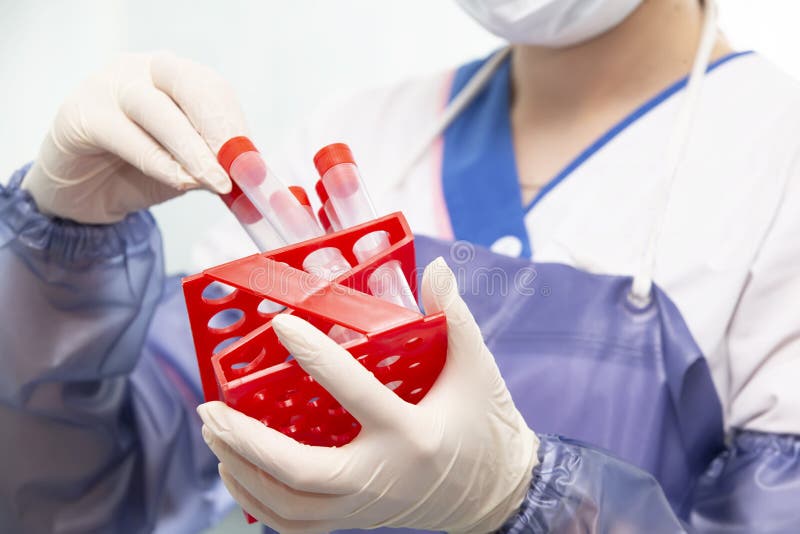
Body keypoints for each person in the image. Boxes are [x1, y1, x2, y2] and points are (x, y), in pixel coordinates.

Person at [2, 0, 799, 531]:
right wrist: (62, 244)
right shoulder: (356, 134)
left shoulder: (775, 164)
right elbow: (77, 492)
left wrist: (526, 498)